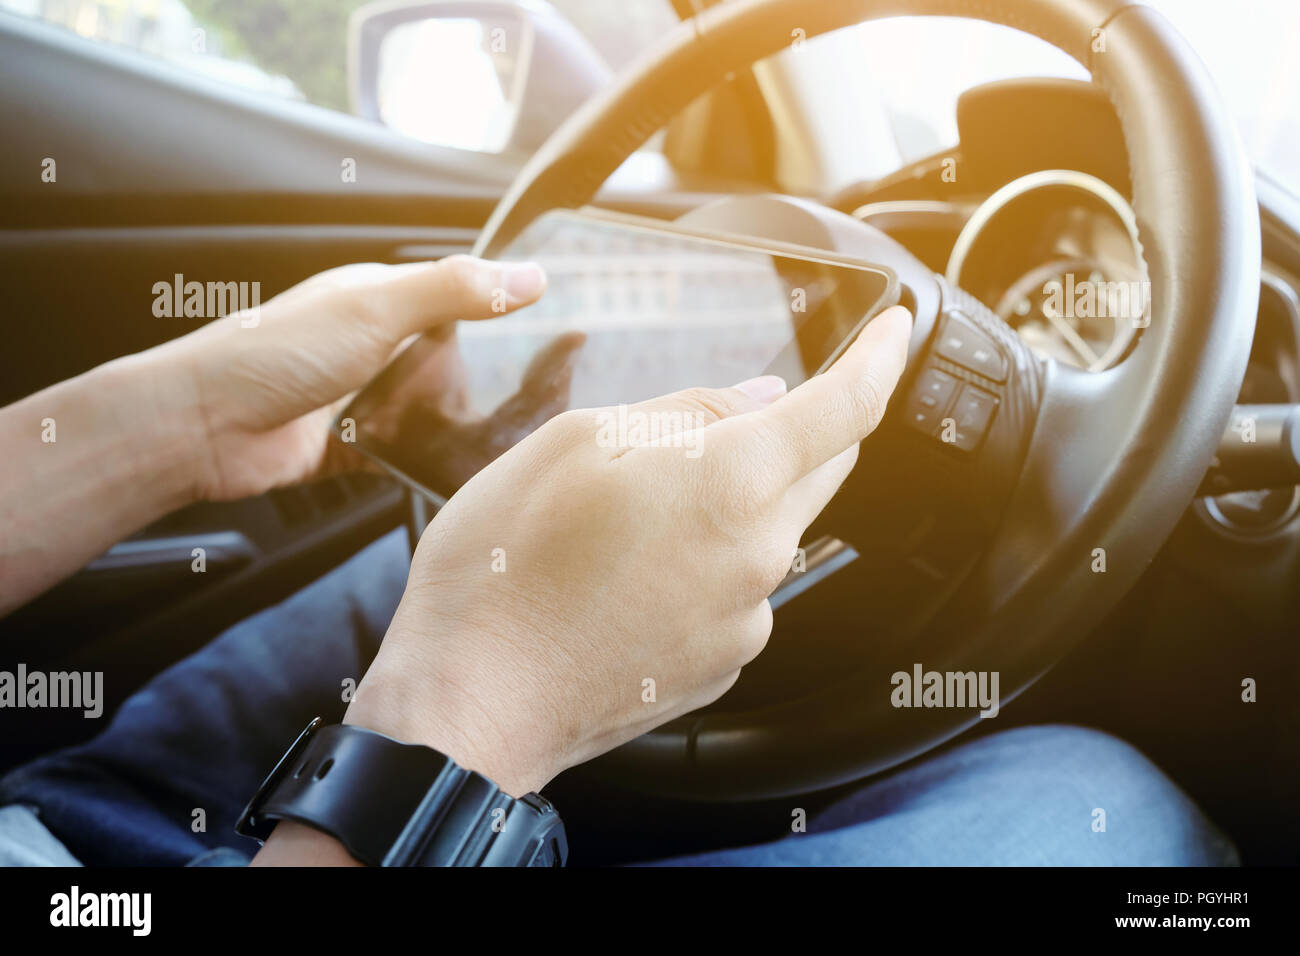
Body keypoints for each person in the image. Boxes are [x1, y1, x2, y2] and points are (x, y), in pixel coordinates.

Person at [0, 256, 1237, 866]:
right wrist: (478, 709)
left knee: (426, 560)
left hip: (52, 837)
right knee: (1110, 804)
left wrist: (185, 419)